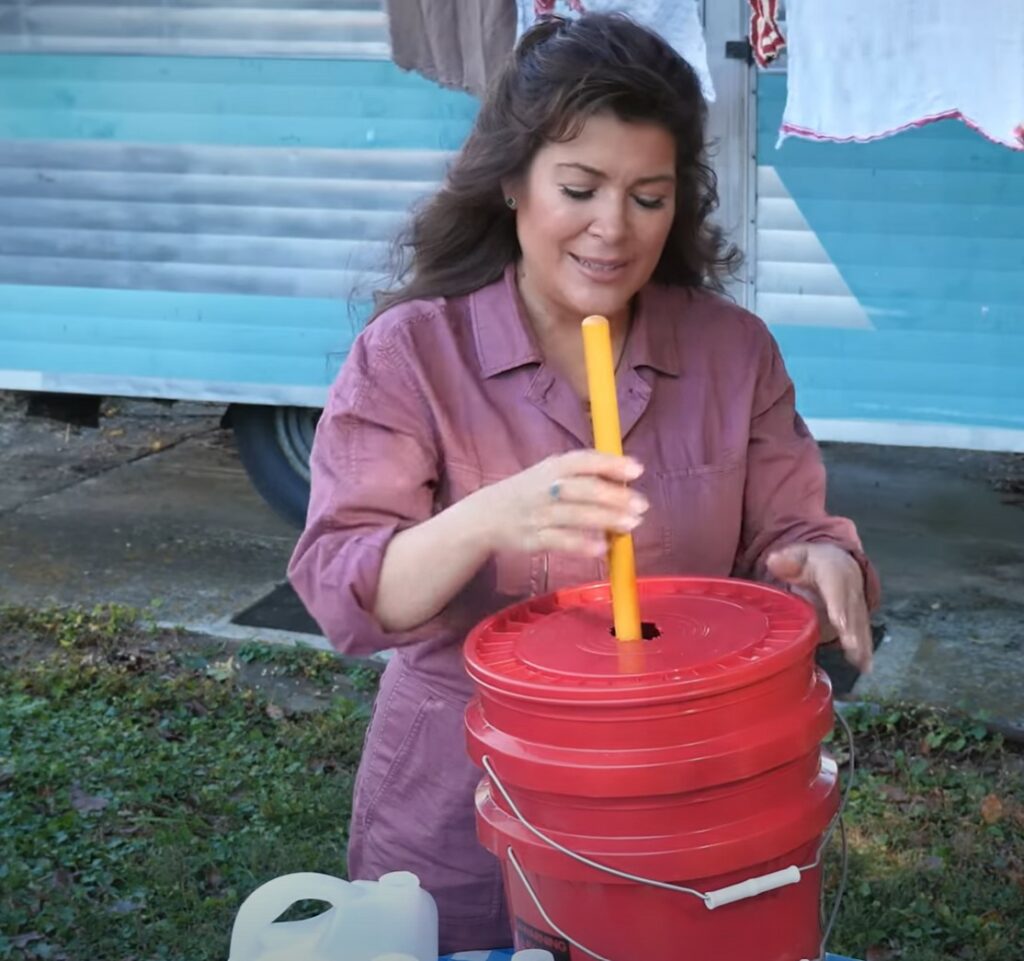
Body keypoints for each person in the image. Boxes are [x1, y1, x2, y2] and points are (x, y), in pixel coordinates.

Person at [288, 13, 880, 954]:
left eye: (649, 196)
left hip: (682, 789)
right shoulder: (413, 356)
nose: (614, 229)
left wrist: (817, 555)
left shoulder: (732, 353)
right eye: (580, 187)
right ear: (512, 183)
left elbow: (791, 524)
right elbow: (346, 592)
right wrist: (494, 514)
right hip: (466, 796)